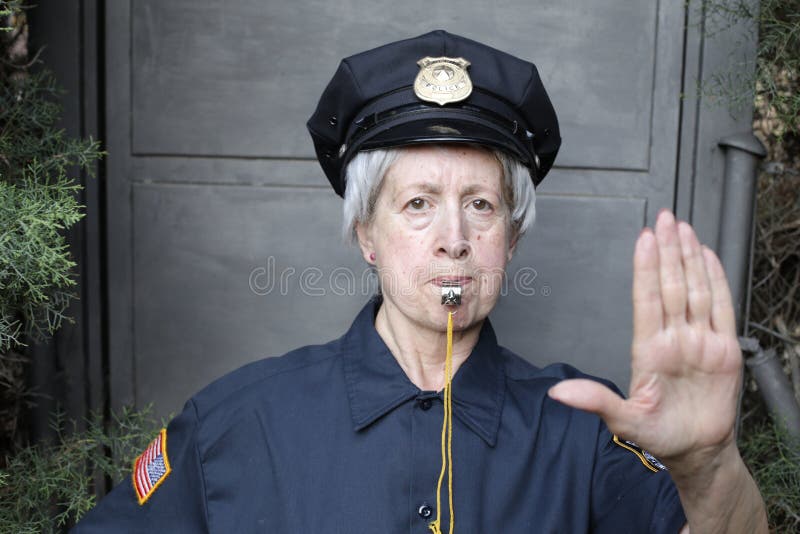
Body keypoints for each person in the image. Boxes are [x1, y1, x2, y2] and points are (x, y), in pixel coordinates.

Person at [73, 30, 767, 533]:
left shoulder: (588, 436)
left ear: (511, 237)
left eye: (481, 205)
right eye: (417, 204)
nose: (454, 238)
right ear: (366, 235)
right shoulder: (234, 422)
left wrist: (710, 469)